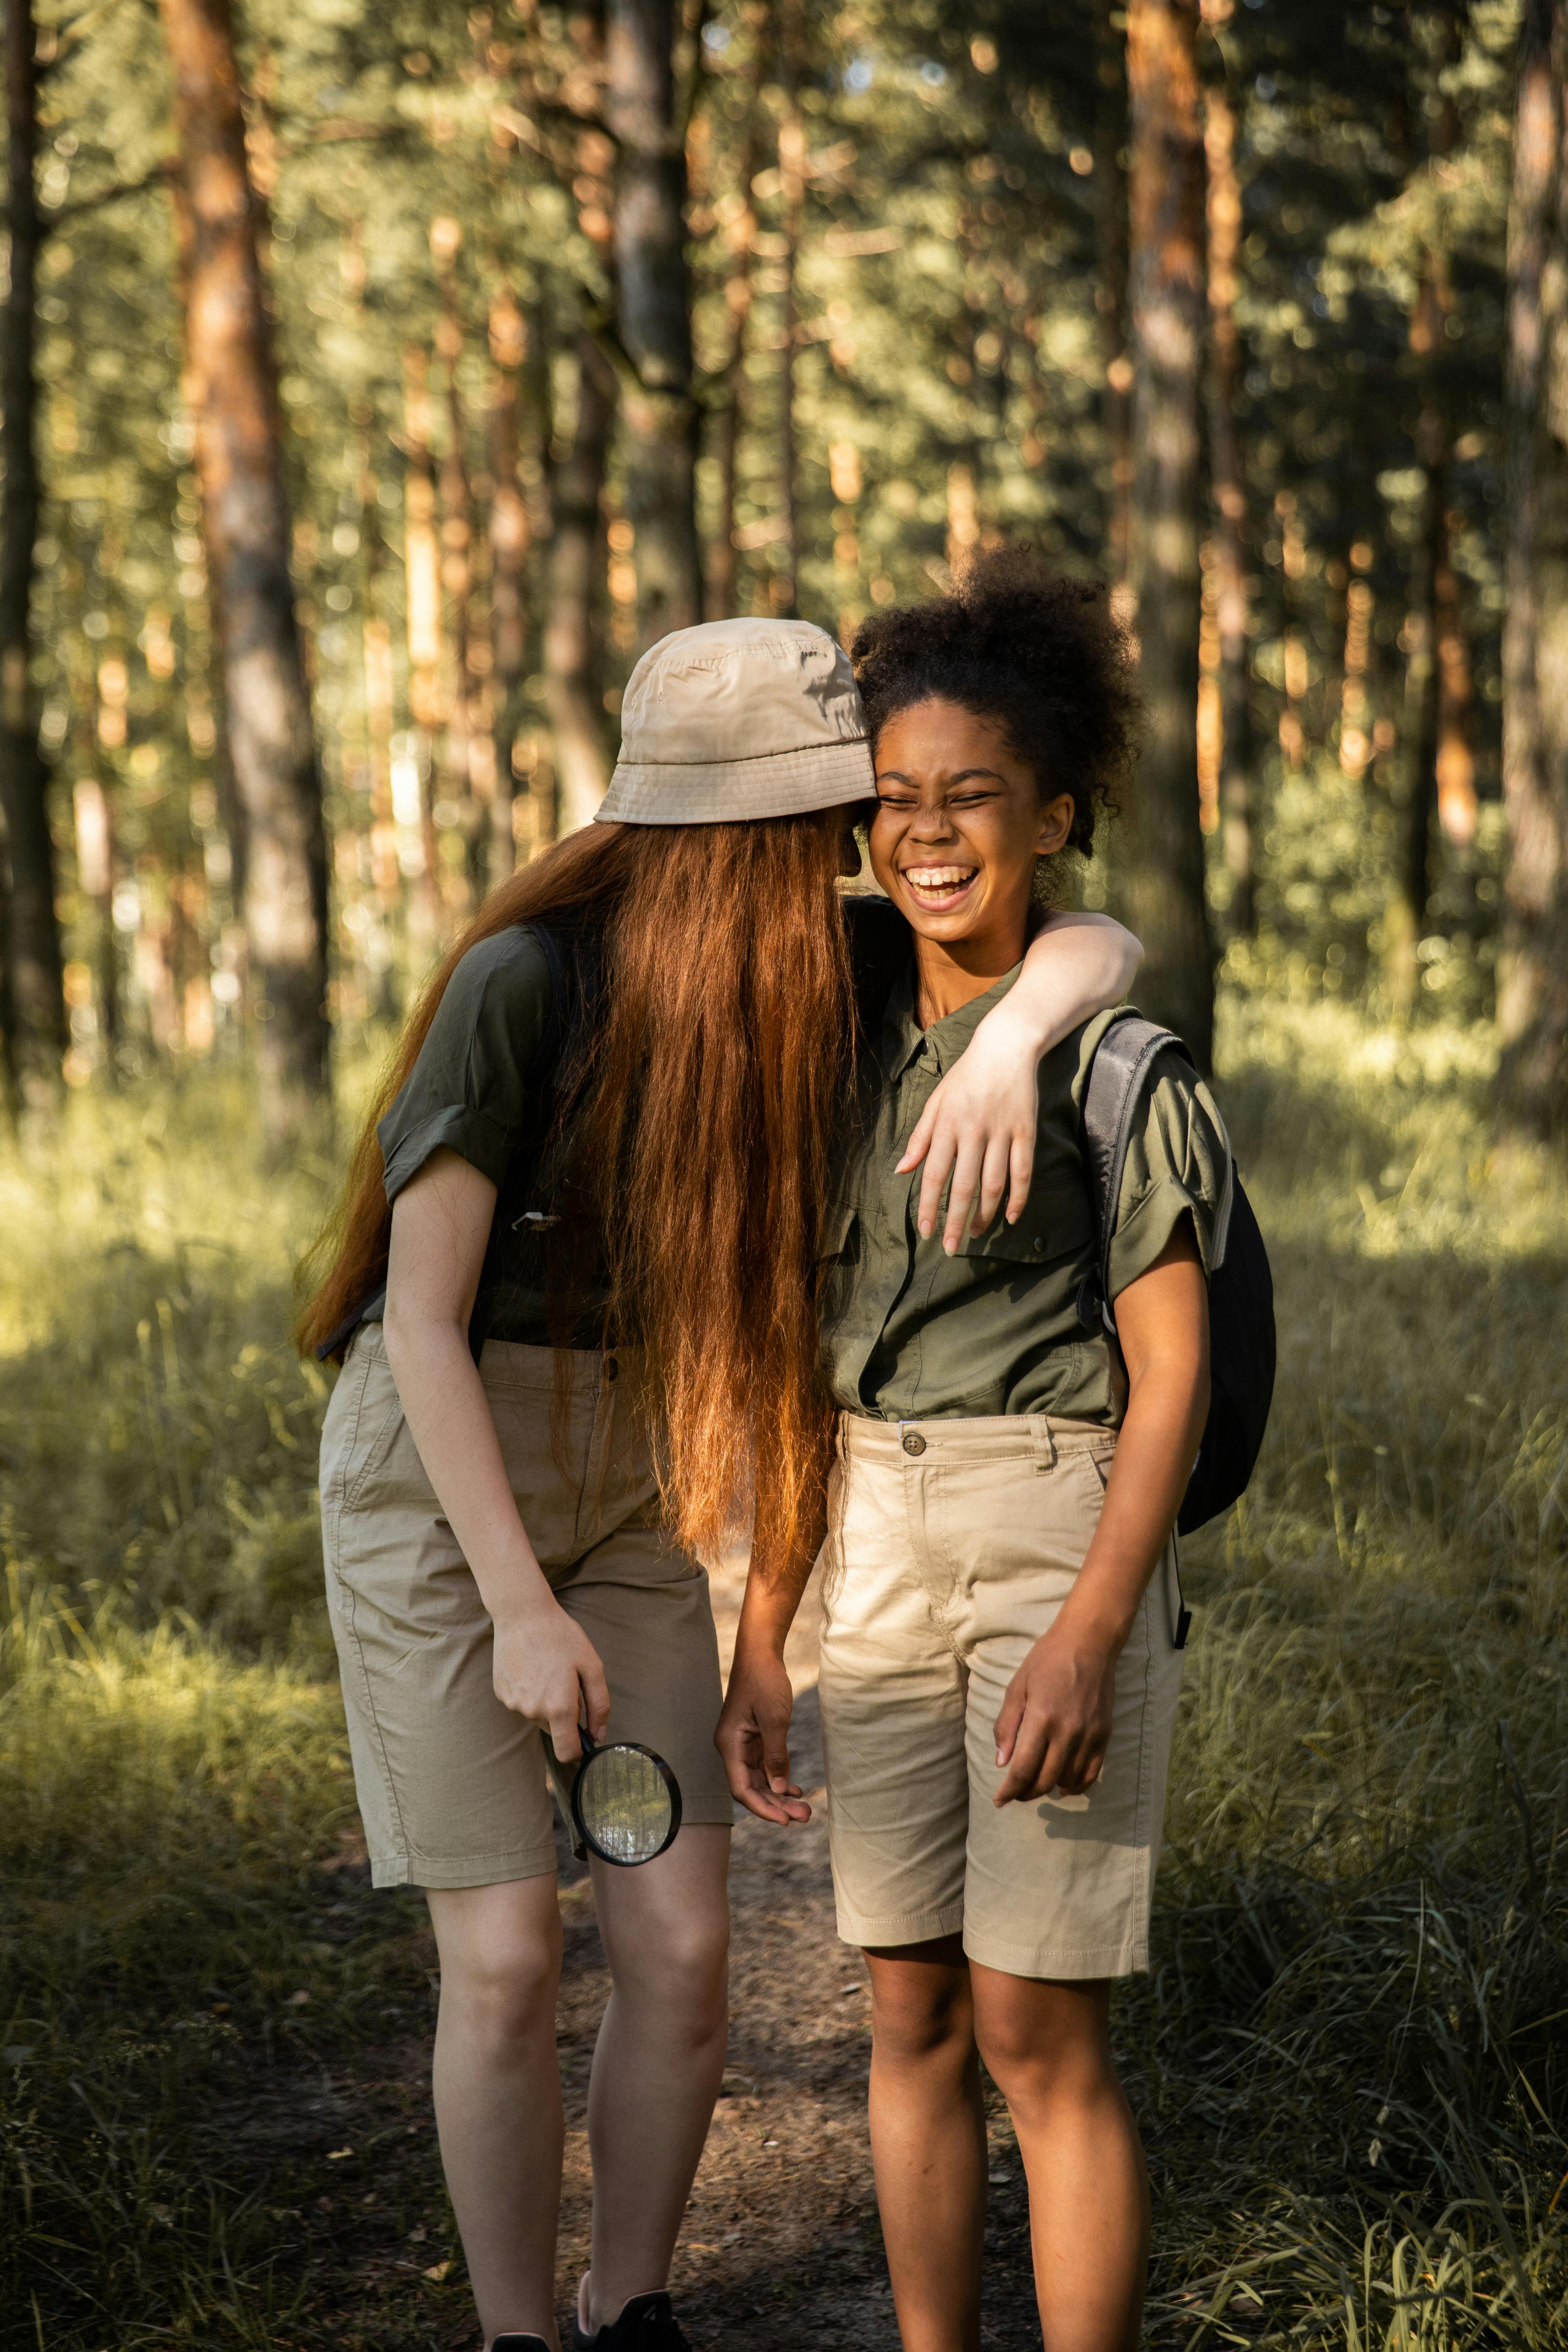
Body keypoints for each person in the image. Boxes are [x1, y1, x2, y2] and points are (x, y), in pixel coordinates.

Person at [297, 616, 1142, 2352]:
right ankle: (519, 2329)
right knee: (513, 1962)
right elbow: (425, 1326)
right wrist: (519, 1614)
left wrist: (1005, 1044)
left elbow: (1097, 942)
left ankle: (634, 2311)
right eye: (813, 830)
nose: (843, 864)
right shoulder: (519, 983)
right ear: (708, 835)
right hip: (442, 1488)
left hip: (621, 1490)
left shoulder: (803, 965)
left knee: (682, 1954)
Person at [719, 554, 1227, 2352]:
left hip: (1047, 1529)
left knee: (1035, 2031)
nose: (929, 834)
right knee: (909, 2016)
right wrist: (763, 1617)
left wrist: (1096, 1623)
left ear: (1056, 813)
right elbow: (803, 1346)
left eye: (974, 799)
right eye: (896, 801)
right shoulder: (835, 1016)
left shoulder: (1117, 1058)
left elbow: (1168, 1373)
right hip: (860, 1532)